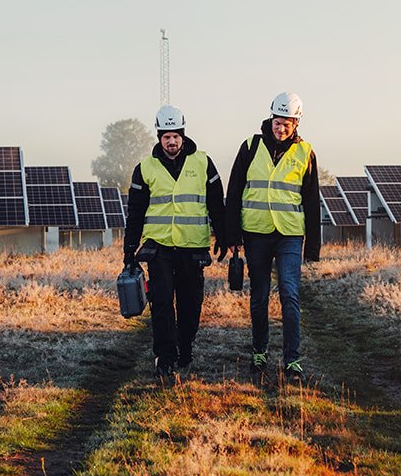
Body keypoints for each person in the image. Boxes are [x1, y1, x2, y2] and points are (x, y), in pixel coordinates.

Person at [123, 104, 227, 380]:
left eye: (176, 136)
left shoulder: (203, 163)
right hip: (159, 249)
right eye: (166, 136)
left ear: (183, 135)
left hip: (193, 249)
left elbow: (217, 204)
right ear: (159, 137)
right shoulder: (144, 169)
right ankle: (165, 357)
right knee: (162, 303)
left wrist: (224, 236)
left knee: (191, 304)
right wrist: (129, 250)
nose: (171, 141)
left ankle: (185, 346)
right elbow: (135, 214)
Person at [226, 92, 320, 381]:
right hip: (256, 233)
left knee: (290, 295)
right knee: (260, 296)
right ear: (271, 119)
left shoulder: (306, 153)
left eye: (288, 124)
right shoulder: (250, 147)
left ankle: (292, 360)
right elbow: (235, 190)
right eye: (279, 122)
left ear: (296, 123)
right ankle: (259, 353)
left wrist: (312, 247)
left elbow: (312, 200)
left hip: (290, 235)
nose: (282, 128)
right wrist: (232, 234)